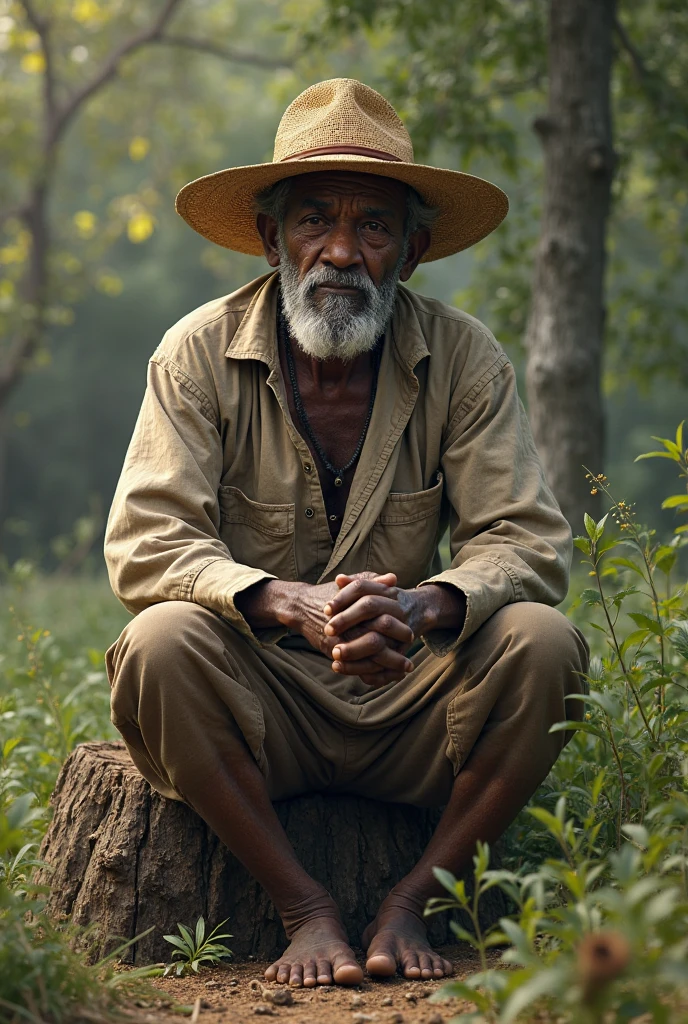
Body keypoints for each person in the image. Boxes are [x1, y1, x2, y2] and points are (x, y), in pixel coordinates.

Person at [104, 78, 588, 989]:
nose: (340, 252)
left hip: (409, 695)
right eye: (315, 220)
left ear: (413, 250)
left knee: (545, 644)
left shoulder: (466, 357)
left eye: (373, 228)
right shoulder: (196, 352)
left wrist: (420, 603)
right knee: (159, 642)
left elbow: (527, 543)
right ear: (270, 237)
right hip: (259, 710)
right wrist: (280, 602)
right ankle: (306, 909)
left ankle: (411, 901)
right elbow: (148, 540)